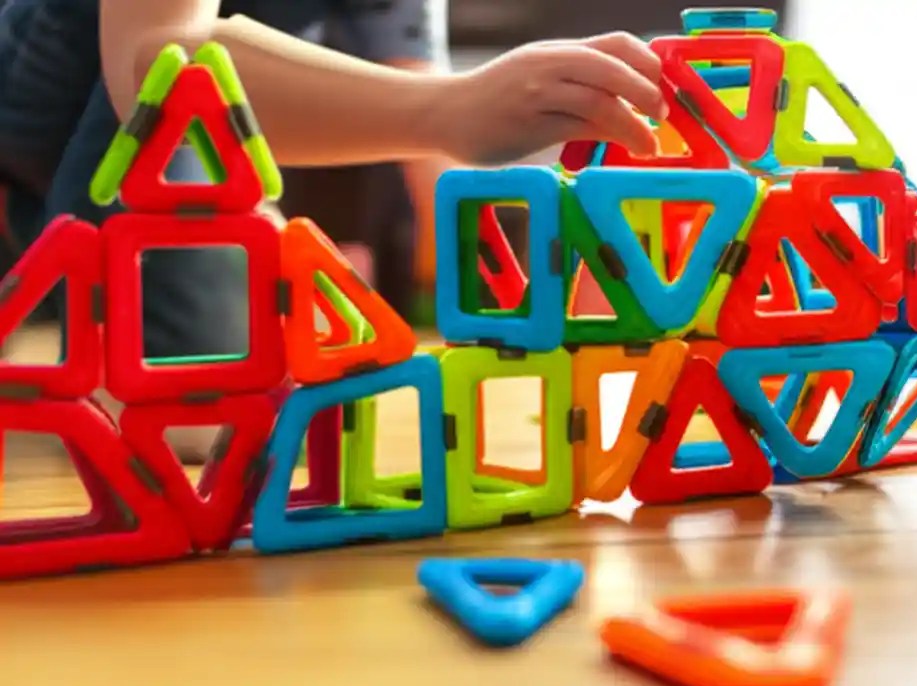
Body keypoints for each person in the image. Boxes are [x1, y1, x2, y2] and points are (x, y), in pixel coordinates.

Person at [0, 0, 666, 459]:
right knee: (195, 418)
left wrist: (498, 300)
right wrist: (452, 107)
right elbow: (156, 63)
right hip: (79, 100)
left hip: (174, 124)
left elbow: (414, 80)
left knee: (250, 408)